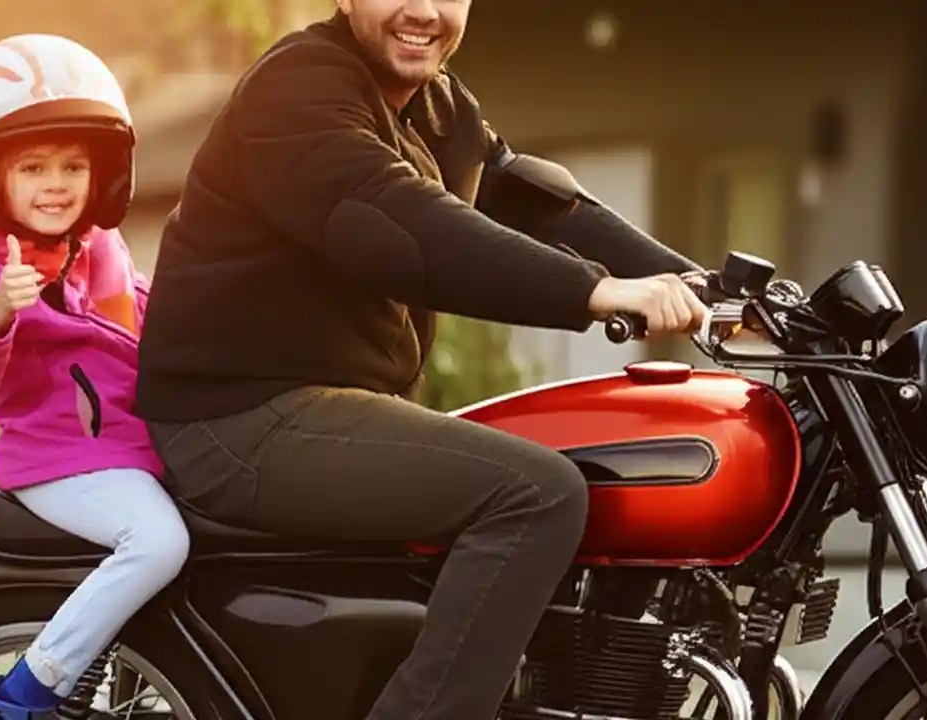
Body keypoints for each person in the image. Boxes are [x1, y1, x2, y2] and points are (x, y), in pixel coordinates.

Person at [135, 1, 705, 719]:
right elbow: (405, 222)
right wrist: (596, 291)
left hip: (326, 411)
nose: (423, 10)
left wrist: (699, 284)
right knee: (538, 492)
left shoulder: (436, 101)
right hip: (237, 418)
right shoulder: (300, 88)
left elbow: (529, 198)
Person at [0, 34, 190, 719]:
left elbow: (149, 320)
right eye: (34, 167)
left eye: (73, 166)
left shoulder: (99, 249)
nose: (56, 184)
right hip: (58, 462)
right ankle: (24, 692)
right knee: (158, 542)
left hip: (130, 451)